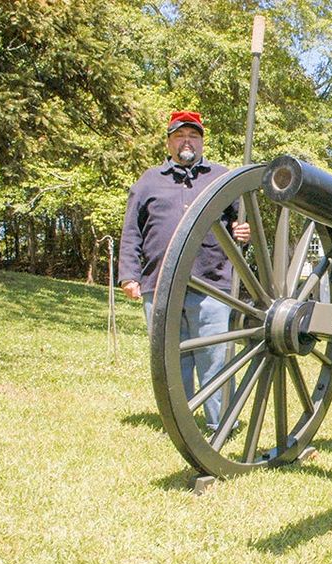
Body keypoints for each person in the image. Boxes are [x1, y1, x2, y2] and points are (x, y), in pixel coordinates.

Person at [119, 111, 250, 430]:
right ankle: (181, 423)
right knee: (171, 359)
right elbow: (131, 232)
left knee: (214, 356)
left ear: (202, 142)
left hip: (212, 283)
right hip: (159, 283)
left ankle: (221, 423)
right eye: (180, 136)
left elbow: (240, 223)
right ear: (169, 142)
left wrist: (242, 235)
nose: (186, 142)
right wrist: (128, 274)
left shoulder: (222, 178)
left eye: (193, 136)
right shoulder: (148, 181)